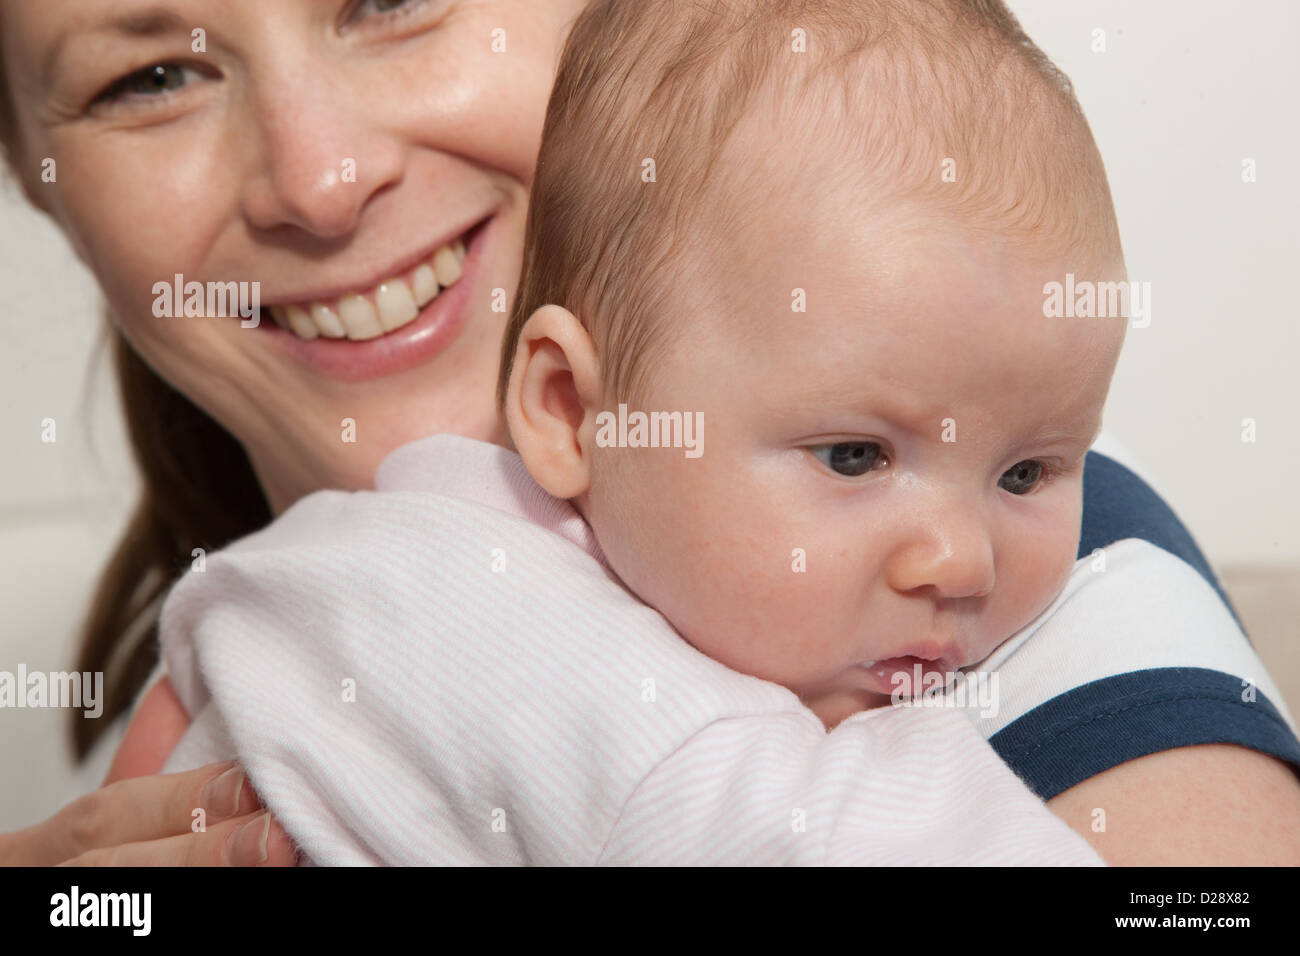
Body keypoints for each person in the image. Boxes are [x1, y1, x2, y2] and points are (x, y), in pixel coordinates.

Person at [0, 0, 1296, 865]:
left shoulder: (1042, 604)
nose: (320, 176)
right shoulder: (214, 684)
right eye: (150, 75)